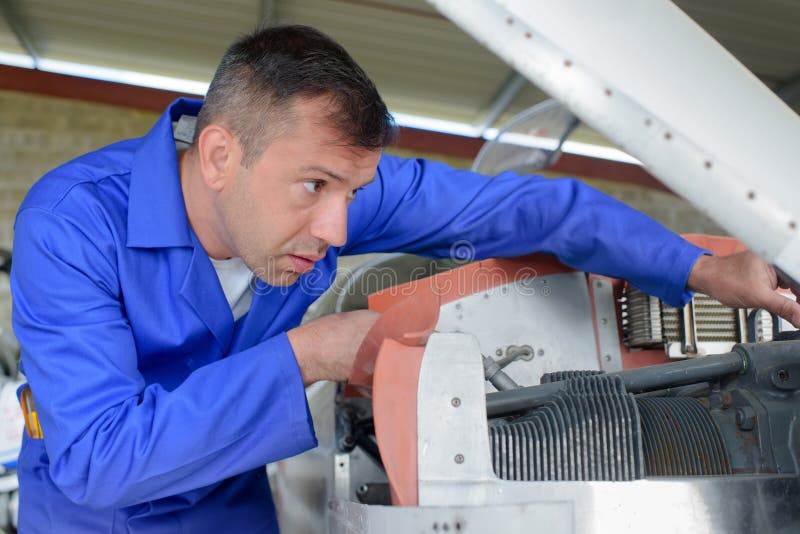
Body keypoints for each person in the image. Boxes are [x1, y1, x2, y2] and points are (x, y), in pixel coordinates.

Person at [10, 24, 800, 533]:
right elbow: (99, 459)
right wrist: (313, 352)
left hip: (228, 506)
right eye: (316, 188)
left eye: (354, 193)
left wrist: (698, 266)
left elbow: (526, 210)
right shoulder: (70, 226)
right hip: (92, 518)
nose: (339, 231)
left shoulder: (333, 191)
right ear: (220, 156)